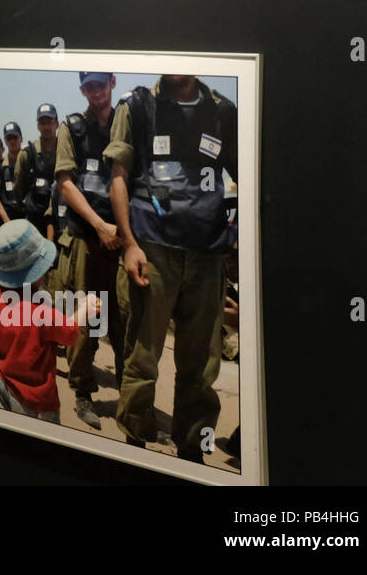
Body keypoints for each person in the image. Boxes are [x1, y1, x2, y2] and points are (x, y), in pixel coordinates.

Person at [107, 74, 237, 463]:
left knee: (201, 364)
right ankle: (134, 442)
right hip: (153, 248)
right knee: (142, 356)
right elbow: (118, 176)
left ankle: (194, 450)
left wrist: (237, 235)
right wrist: (129, 244)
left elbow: (242, 177)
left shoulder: (223, 111)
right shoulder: (137, 105)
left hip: (207, 253)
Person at [54, 73, 127, 431]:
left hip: (121, 242)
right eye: (89, 86)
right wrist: (99, 225)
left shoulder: (127, 124)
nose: (96, 91)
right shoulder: (73, 127)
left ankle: (132, 403)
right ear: (82, 89)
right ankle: (82, 393)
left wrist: (125, 234)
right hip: (85, 238)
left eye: (102, 83)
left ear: (112, 82)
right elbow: (65, 183)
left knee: (125, 322)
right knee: (85, 322)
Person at [0, 220, 100, 423]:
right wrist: (84, 309)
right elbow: (69, 333)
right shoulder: (40, 313)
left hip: (2, 382)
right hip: (34, 401)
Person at [15, 103, 59, 238]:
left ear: (56, 123)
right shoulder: (27, 154)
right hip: (34, 219)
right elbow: (18, 187)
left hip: (59, 218)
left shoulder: (65, 151)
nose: (46, 127)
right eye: (42, 123)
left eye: (49, 122)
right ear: (38, 125)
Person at [0, 122, 26, 225]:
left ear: (21, 138)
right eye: (9, 138)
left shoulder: (29, 161)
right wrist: (7, 222)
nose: (12, 141)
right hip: (6, 220)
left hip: (27, 218)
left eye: (15, 137)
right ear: (5, 141)